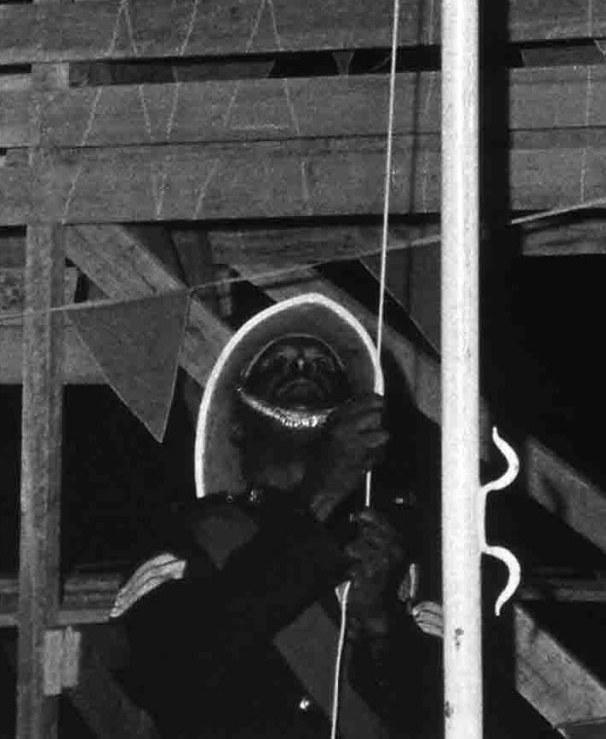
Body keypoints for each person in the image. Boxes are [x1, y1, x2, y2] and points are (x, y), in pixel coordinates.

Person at [99, 292, 441, 739]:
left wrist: (382, 625)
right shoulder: (185, 532)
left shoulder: (394, 544)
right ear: (238, 421)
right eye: (277, 365)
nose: (302, 371)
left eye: (322, 368)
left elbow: (444, 713)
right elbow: (166, 677)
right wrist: (320, 493)